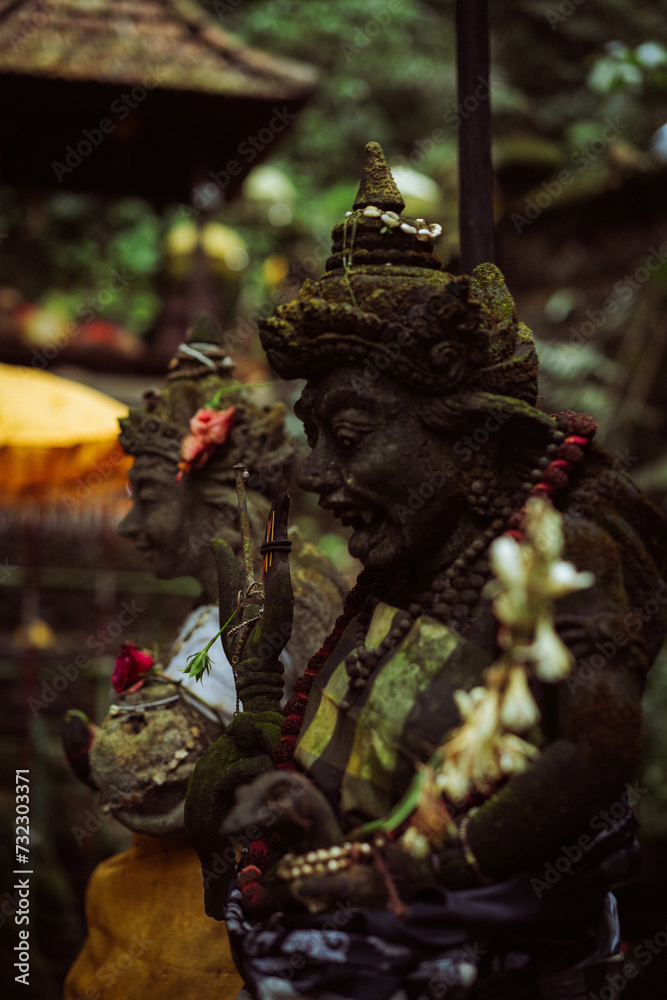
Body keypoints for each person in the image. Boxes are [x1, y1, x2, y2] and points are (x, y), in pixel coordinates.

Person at [185, 144, 667, 1000]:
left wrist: (407, 867)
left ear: (463, 431)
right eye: (315, 439)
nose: (321, 476)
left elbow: (599, 746)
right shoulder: (399, 570)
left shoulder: (559, 551)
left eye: (353, 432)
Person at [62, 315, 347, 1000]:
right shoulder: (219, 606)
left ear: (211, 491)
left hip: (218, 918)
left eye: (148, 498)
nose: (130, 526)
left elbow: (193, 769)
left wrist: (119, 751)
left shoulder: (282, 597)